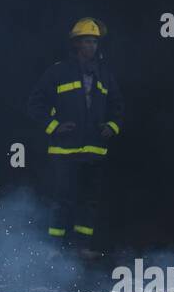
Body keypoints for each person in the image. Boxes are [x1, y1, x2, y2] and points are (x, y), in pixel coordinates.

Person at [27, 17, 125, 259]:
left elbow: (118, 106)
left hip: (94, 151)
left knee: (89, 202)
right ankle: (53, 250)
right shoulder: (58, 71)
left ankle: (81, 247)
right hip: (65, 152)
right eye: (86, 41)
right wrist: (54, 126)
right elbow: (34, 104)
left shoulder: (104, 75)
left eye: (94, 42)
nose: (91, 46)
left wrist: (112, 126)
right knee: (63, 201)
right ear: (76, 44)